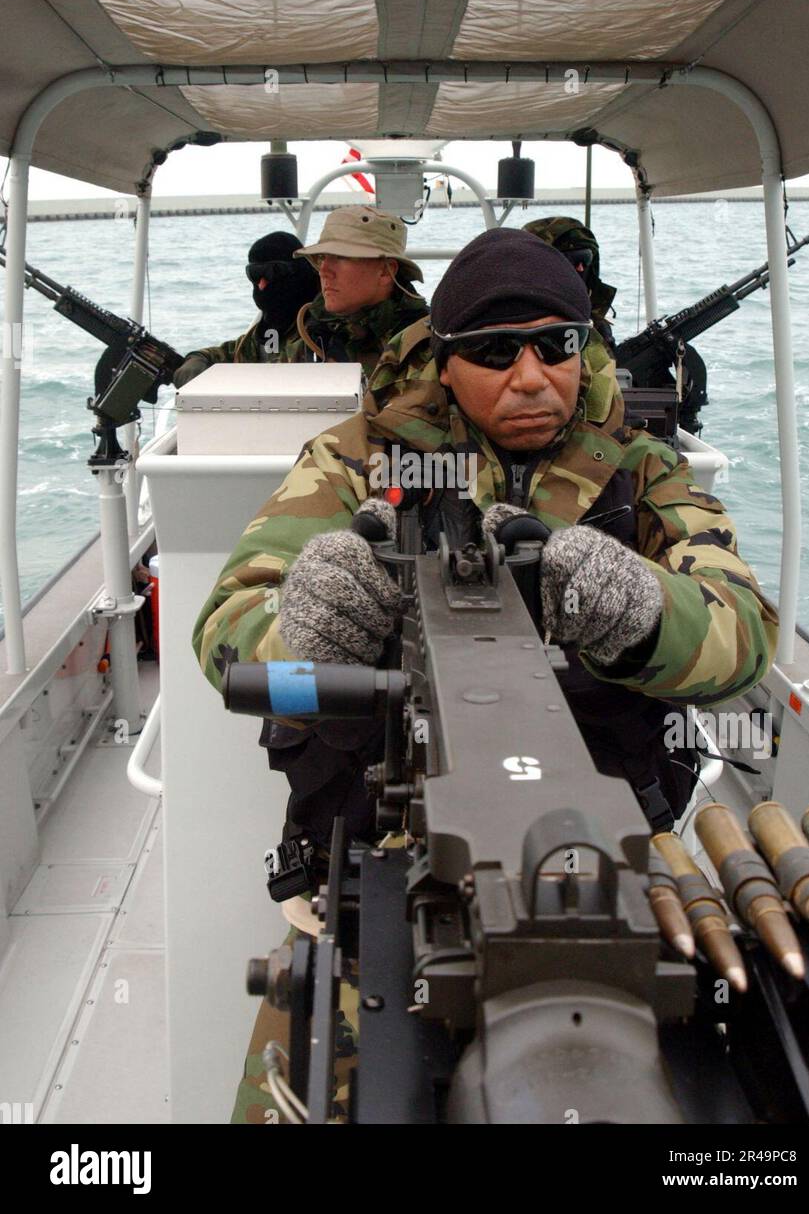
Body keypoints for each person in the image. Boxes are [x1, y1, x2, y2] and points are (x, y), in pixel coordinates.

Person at [193, 226, 778, 1119]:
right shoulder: (358, 460)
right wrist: (301, 628)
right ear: (445, 357)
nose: (533, 375)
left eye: (558, 345)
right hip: (381, 855)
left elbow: (743, 630)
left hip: (609, 863)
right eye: (495, 352)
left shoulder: (643, 470)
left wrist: (648, 611)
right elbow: (228, 626)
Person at [284, 205, 428, 375]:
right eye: (322, 257)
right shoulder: (309, 336)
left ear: (385, 271)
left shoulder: (430, 343)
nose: (324, 271)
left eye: (340, 257)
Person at [173, 231, 318, 386]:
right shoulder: (269, 331)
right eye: (255, 274)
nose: (262, 285)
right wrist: (199, 359)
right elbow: (235, 352)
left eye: (273, 272)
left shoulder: (322, 329)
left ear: (298, 273)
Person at [523, 214, 618, 347]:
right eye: (572, 259)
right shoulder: (520, 320)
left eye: (586, 259)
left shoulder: (590, 316)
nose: (580, 268)